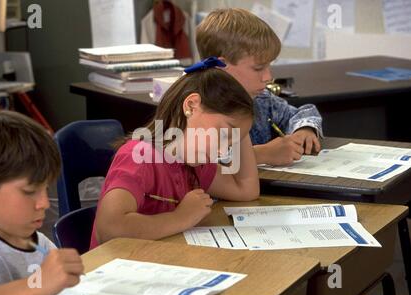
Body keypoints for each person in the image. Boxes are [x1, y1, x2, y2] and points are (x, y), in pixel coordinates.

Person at [91, 58, 260, 248]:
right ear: (191, 106)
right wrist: (181, 218)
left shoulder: (196, 163)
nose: (222, 151)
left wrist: (240, 125)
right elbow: (110, 229)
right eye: (222, 135)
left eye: (231, 143)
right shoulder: (138, 157)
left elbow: (246, 189)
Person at [0, 110, 84, 295]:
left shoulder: (40, 244)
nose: (43, 203)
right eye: (29, 191)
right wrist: (35, 287)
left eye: (45, 189)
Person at [196, 8, 323, 166]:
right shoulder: (197, 108)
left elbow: (303, 113)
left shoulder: (262, 101)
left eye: (269, 66)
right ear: (222, 66)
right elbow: (200, 162)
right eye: (258, 68)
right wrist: (260, 155)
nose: (268, 77)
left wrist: (304, 130)